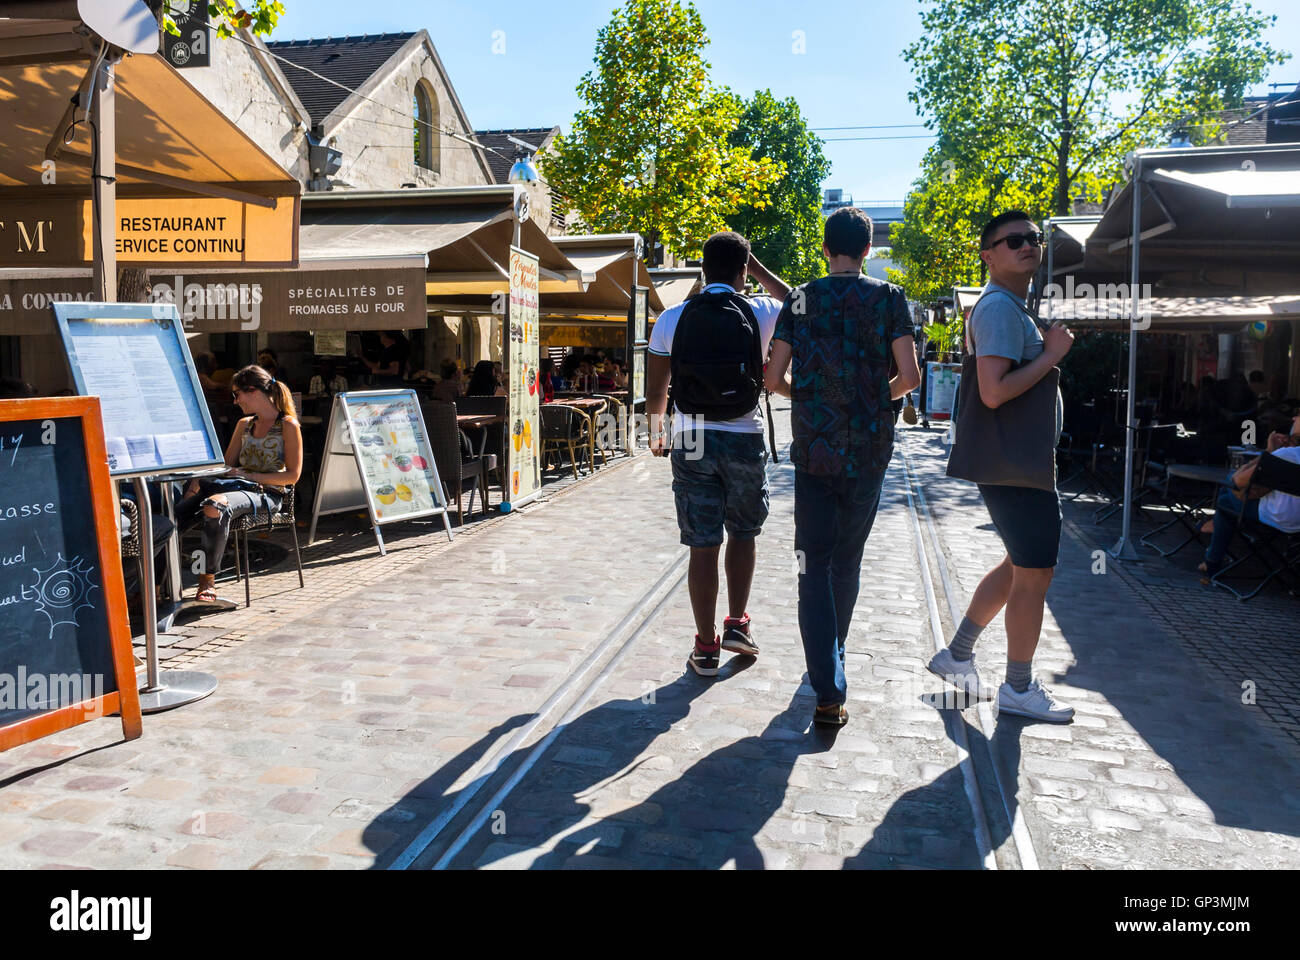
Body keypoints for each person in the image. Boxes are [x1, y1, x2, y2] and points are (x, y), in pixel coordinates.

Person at [765, 207, 920, 726]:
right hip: (868, 451)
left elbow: (772, 379)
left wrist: (806, 399)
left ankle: (827, 686)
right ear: (869, 250)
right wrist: (875, 401)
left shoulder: (800, 298)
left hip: (815, 450)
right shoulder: (889, 299)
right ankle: (833, 661)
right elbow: (911, 376)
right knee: (846, 562)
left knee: (813, 565)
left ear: (826, 249)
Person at [926, 210, 1077, 723]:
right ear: (988, 256)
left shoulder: (1013, 307)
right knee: (1037, 574)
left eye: (1033, 239)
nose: (1027, 246)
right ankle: (1018, 686)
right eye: (1013, 241)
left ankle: (958, 655)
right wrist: (1052, 356)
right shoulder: (997, 309)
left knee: (1019, 565)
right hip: (1017, 466)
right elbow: (993, 393)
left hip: (1020, 464)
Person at [646, 231, 790, 677]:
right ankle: (737, 625)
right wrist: (757, 267)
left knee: (702, 544)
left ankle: (705, 646)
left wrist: (656, 433)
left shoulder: (672, 316)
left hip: (691, 436)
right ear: (744, 271)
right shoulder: (761, 310)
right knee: (743, 532)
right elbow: (800, 301)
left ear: (702, 270)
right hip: (745, 431)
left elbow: (655, 390)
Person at [176, 366, 302, 604]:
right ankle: (158, 583)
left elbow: (293, 476)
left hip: (268, 494)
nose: (235, 401)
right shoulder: (244, 425)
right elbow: (225, 465)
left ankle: (206, 581)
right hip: (233, 489)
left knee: (214, 507)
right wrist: (195, 484)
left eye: (237, 394)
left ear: (253, 391)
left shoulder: (287, 425)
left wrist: (251, 477)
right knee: (173, 517)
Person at [1200, 422, 1300, 582]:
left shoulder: (1288, 454)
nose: (1294, 417)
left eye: (1298, 415)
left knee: (1227, 491)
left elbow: (1237, 482)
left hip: (1280, 517)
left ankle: (1212, 560)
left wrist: (1269, 452)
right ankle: (1214, 542)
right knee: (1229, 499)